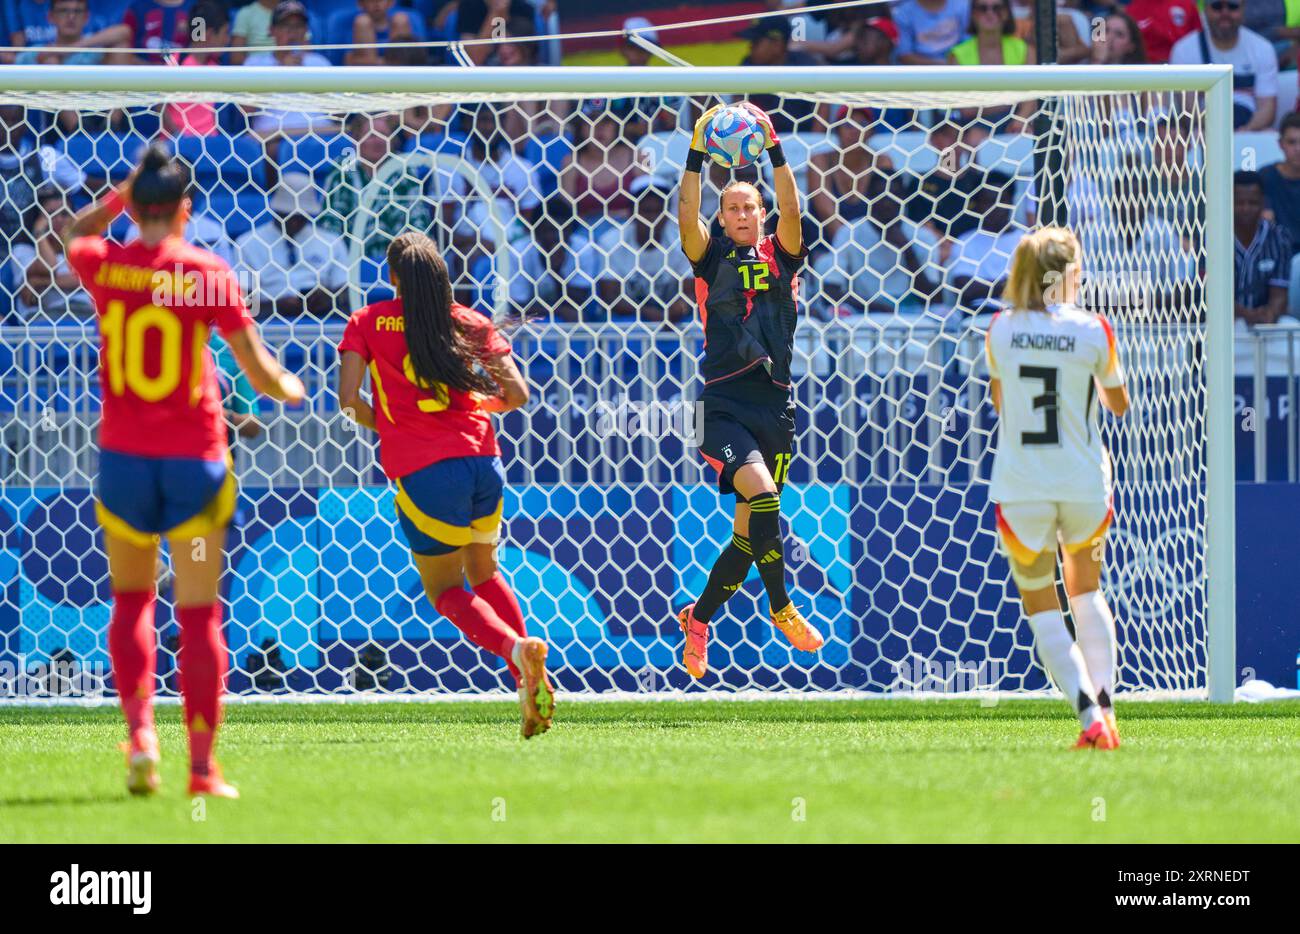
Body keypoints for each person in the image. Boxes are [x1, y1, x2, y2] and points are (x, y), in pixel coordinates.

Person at [62, 143, 305, 797]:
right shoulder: (206, 272)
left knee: (133, 600)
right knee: (198, 616)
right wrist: (287, 386)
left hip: (125, 463)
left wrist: (123, 191)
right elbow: (256, 368)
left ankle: (142, 738)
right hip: (194, 463)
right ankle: (202, 771)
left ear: (137, 209)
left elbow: (74, 232)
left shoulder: (107, 266)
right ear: (187, 210)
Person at [336, 231, 554, 737]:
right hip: (483, 462)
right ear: (442, 277)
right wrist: (476, 410)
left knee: (444, 589)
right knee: (484, 571)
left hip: (425, 470)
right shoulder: (470, 321)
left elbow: (348, 400)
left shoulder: (367, 322)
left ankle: (517, 653)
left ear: (391, 277)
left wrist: (394, 425)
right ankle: (525, 680)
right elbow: (518, 393)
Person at [675, 102, 825, 680]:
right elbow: (686, 209)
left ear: (761, 214)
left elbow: (793, 203)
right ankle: (782, 607)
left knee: (747, 536)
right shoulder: (709, 256)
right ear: (721, 217)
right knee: (761, 492)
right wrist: (695, 149)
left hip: (775, 408)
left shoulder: (783, 254)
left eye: (748, 207)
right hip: (722, 405)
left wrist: (777, 146)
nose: (741, 213)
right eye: (731, 207)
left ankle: (700, 617)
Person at [986, 226, 1130, 750]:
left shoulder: (1000, 329)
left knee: (1042, 606)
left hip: (1023, 484)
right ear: (1070, 272)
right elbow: (1119, 404)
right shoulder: (1095, 329)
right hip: (1083, 479)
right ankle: (1108, 708)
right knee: (1087, 591)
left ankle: (1087, 714)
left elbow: (1002, 404)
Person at [235, 172, 349, 317]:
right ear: (276, 210)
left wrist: (327, 297)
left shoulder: (331, 242)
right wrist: (277, 306)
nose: (294, 221)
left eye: (301, 216)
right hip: (268, 323)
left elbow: (345, 294)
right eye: (287, 214)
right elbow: (244, 303)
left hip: (321, 320)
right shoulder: (247, 244)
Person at [1169, 0, 1278, 132]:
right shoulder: (1184, 50)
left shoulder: (1263, 48)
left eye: (1232, 7)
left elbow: (1267, 107)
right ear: (1205, 10)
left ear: (1243, 9)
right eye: (1217, 6)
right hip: (1205, 130)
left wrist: (1245, 130)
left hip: (1251, 131)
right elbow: (1190, 110)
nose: (1224, 13)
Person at [737, 18, 820, 134]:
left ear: (777, 44)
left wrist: (815, 140)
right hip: (760, 138)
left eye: (756, 42)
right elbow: (739, 102)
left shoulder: (803, 64)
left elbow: (823, 103)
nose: (750, 47)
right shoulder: (748, 65)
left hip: (804, 137)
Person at [1234, 171, 1293, 326]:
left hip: (1266, 323)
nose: (1246, 209)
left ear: (1262, 202)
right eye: (1239, 203)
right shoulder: (1212, 238)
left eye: (1252, 202)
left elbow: (1280, 293)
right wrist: (1247, 316)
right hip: (1225, 323)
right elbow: (1209, 295)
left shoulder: (1279, 237)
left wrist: (1270, 313)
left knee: (1290, 328)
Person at [1260, 113, 1300, 258]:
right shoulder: (1264, 177)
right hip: (1276, 256)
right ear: (1280, 144)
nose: (1298, 149)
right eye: (1292, 142)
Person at [893, 0, 971, 65]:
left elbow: (970, 42)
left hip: (959, 67)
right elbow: (904, 56)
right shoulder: (903, 14)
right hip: (921, 75)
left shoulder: (963, 5)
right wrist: (944, 64)